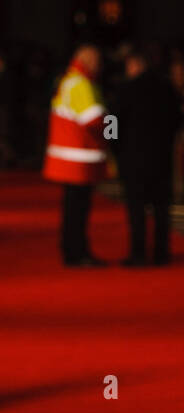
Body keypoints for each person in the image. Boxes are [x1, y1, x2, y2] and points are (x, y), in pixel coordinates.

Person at [111, 47, 182, 266]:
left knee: (136, 208)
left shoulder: (125, 89)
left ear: (135, 65)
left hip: (132, 158)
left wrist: (114, 148)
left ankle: (138, 252)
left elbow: (112, 122)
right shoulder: (167, 88)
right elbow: (177, 120)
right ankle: (161, 252)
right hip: (161, 156)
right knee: (161, 207)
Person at [42, 45, 108, 267]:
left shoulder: (73, 80)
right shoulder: (80, 83)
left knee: (74, 209)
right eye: (97, 60)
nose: (100, 65)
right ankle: (77, 254)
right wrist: (115, 130)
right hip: (79, 159)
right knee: (77, 211)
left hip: (72, 159)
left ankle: (74, 252)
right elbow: (95, 118)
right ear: (87, 60)